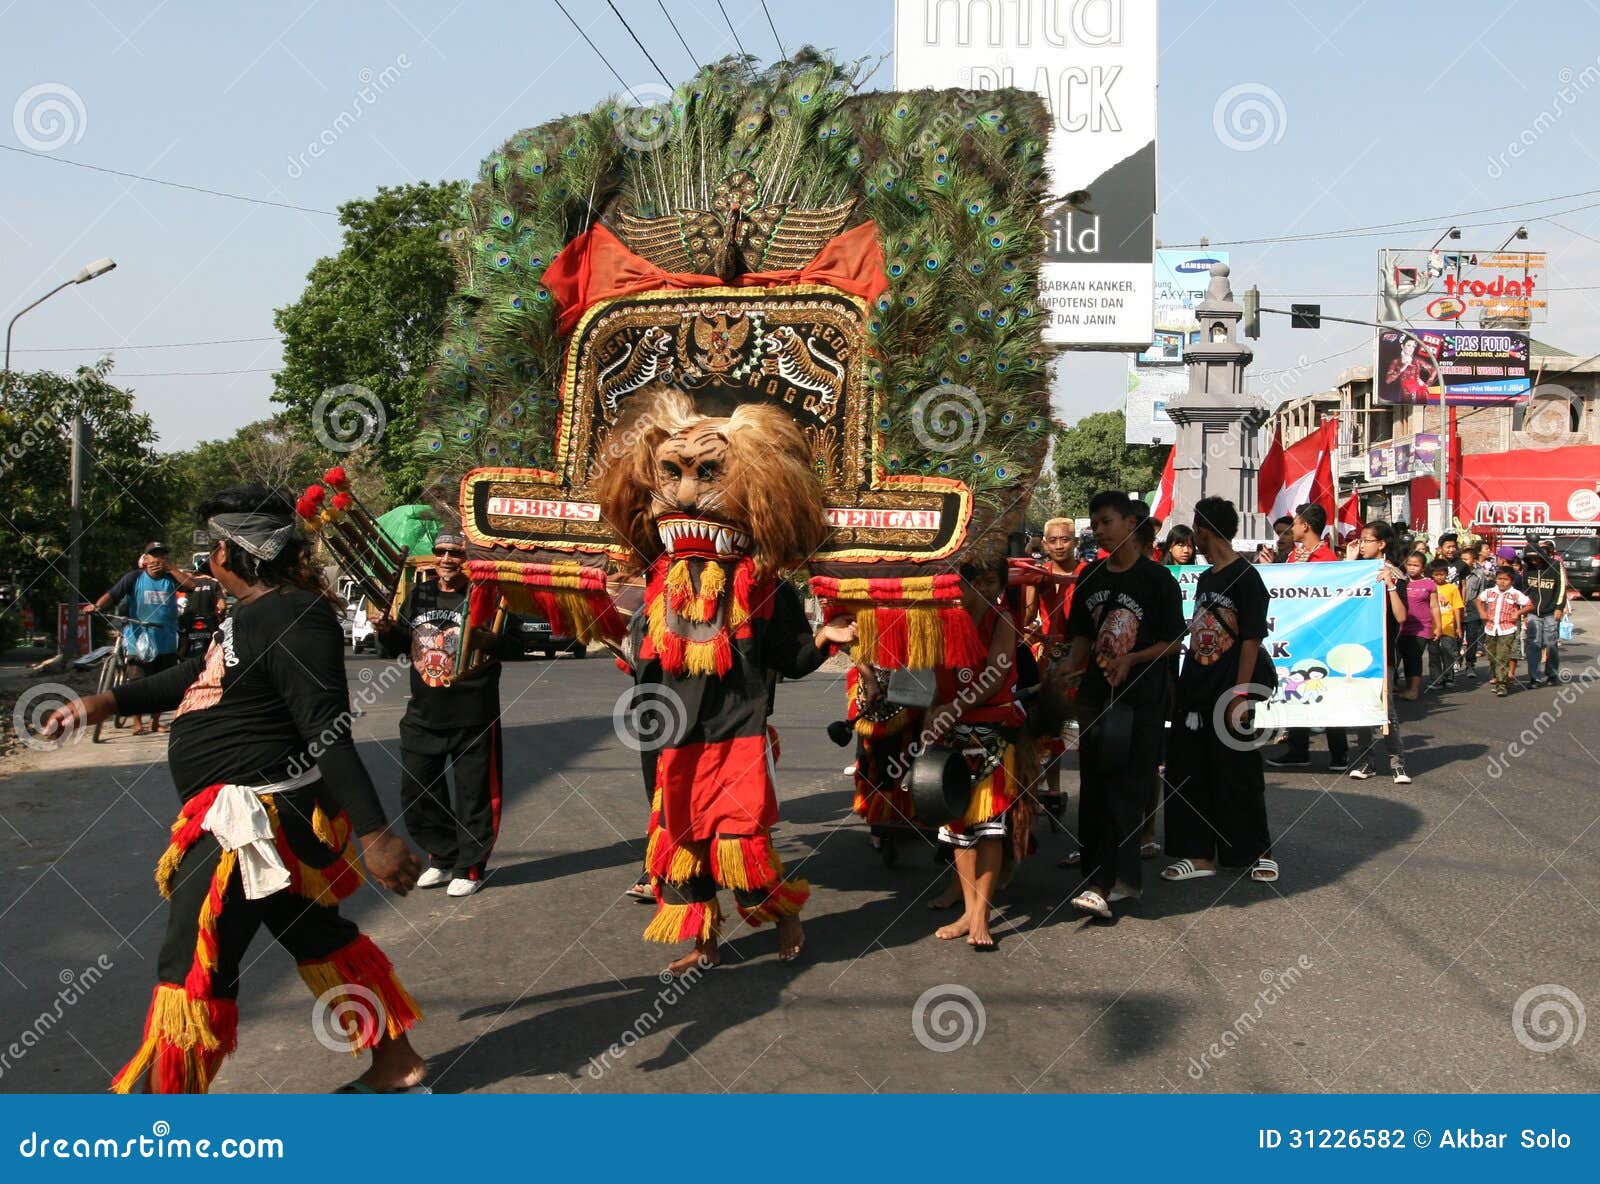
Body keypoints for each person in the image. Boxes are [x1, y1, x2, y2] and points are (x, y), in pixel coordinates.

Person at [41, 486, 425, 1093]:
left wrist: (375, 834)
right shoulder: (252, 614)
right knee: (318, 938)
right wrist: (103, 701)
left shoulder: (291, 615)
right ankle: (398, 1064)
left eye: (209, 549)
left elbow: (327, 729)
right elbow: (195, 676)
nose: (204, 562)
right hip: (260, 818)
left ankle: (161, 1119)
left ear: (227, 551)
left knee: (193, 966)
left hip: (248, 822)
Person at [373, 532, 521, 898]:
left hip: (473, 713)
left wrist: (490, 642)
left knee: (474, 796)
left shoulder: (489, 595)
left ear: (467, 558)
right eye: (440, 552)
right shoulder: (419, 594)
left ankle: (471, 867)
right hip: (424, 712)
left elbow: (516, 645)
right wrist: (387, 632)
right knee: (417, 792)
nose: (446, 559)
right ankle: (443, 856)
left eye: (455, 553)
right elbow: (400, 647)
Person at [1060, 491, 1186, 919]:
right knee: (1094, 786)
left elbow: (1173, 641)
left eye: (1106, 521)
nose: (1098, 530)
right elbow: (1080, 635)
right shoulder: (1090, 577)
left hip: (1142, 703)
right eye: (1094, 523)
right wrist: (1066, 672)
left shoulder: (1158, 581)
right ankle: (1099, 872)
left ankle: (1107, 882)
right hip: (1096, 699)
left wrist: (1131, 659)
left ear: (1131, 523)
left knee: (1127, 790)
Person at [1161, 497, 1277, 884]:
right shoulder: (1207, 577)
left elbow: (1250, 640)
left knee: (1239, 774)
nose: (1194, 536)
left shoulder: (1248, 578)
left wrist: (1241, 696)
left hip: (1231, 693)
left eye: (1196, 527)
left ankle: (1255, 851)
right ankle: (1198, 855)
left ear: (1205, 530)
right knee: (1190, 772)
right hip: (1195, 691)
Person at [922, 556, 1032, 950]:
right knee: (958, 828)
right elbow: (941, 682)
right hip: (952, 734)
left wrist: (953, 708)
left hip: (992, 733)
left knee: (989, 830)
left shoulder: (1001, 619)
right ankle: (968, 911)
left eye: (957, 585)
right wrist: (933, 714)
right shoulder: (944, 621)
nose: (951, 593)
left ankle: (981, 916)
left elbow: (995, 675)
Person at [1266, 504, 1349, 770]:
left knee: (1327, 692)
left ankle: (1340, 753)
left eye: (1296, 523)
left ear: (1306, 526)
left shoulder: (1326, 559)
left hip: (1321, 637)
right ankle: (1298, 750)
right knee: (1294, 690)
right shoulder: (1293, 556)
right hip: (1296, 635)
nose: (1293, 529)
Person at [84, 543, 198, 735]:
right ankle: (138, 722)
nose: (157, 560)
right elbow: (112, 595)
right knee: (138, 681)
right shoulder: (134, 578)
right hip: (139, 640)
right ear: (145, 560)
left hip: (167, 639)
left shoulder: (171, 578)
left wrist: (171, 568)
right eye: (153, 556)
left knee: (163, 685)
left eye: (161, 556)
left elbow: (191, 586)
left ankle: (155, 721)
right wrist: (97, 606)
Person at [1347, 522, 1412, 784]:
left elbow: (1401, 616)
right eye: (1360, 540)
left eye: (1366, 540)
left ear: (1381, 544)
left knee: (1387, 709)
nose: (1362, 545)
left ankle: (1398, 763)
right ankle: (1365, 761)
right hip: (1356, 649)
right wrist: (1349, 565)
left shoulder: (1394, 573)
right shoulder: (1355, 570)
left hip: (1382, 650)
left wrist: (1390, 586)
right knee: (1363, 707)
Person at [1031, 517, 1081, 818]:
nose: (1060, 545)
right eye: (1054, 540)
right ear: (1045, 544)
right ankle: (1047, 787)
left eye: (1065, 539)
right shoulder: (1038, 575)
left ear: (1075, 541)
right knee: (1048, 728)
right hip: (1048, 656)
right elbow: (1027, 618)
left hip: (1082, 655)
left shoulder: (1088, 573)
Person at [1477, 566, 1532, 696]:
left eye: (1505, 579)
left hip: (1507, 629)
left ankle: (1502, 685)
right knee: (1491, 656)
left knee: (1502, 656)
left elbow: (1529, 604)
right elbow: (1479, 600)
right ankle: (1498, 678)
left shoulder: (1515, 594)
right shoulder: (1489, 592)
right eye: (1499, 579)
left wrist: (1518, 612)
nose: (1502, 582)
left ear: (1511, 581)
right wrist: (1482, 612)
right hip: (1491, 629)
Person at [1521, 545, 1568, 687]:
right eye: (1530, 558)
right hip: (1533, 612)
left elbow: (1562, 587)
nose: (1534, 561)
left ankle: (1552, 674)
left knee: (1551, 643)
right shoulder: (1527, 569)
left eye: (1536, 558)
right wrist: (1524, 612)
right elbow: (1525, 592)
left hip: (1551, 611)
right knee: (1534, 644)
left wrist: (1559, 607)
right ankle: (1534, 677)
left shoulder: (1555, 565)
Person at [1397, 551, 1440, 700]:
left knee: (1414, 658)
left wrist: (1438, 626)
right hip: (1400, 626)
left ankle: (1413, 690)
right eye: (1409, 564)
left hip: (1421, 627)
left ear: (1423, 568)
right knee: (1399, 657)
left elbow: (1434, 606)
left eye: (1416, 565)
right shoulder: (1400, 582)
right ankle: (1401, 687)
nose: (1412, 568)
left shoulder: (1429, 584)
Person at [1428, 558, 1464, 689]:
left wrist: (1459, 627)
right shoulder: (1429, 587)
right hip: (1432, 627)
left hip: (1448, 626)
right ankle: (1436, 679)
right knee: (1433, 653)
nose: (1439, 577)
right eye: (1436, 574)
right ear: (1431, 574)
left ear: (1446, 574)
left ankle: (1449, 677)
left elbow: (1457, 607)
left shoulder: (1452, 588)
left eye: (1442, 574)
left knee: (1447, 652)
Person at [1459, 544, 1488, 680]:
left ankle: (1470, 664)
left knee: (1472, 637)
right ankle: (1456, 661)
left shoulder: (1479, 574)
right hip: (1457, 606)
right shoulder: (1456, 572)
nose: (1464, 562)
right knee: (1457, 636)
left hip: (1472, 606)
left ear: (1474, 560)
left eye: (1467, 559)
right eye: (1462, 559)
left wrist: (1482, 609)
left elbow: (1482, 593)